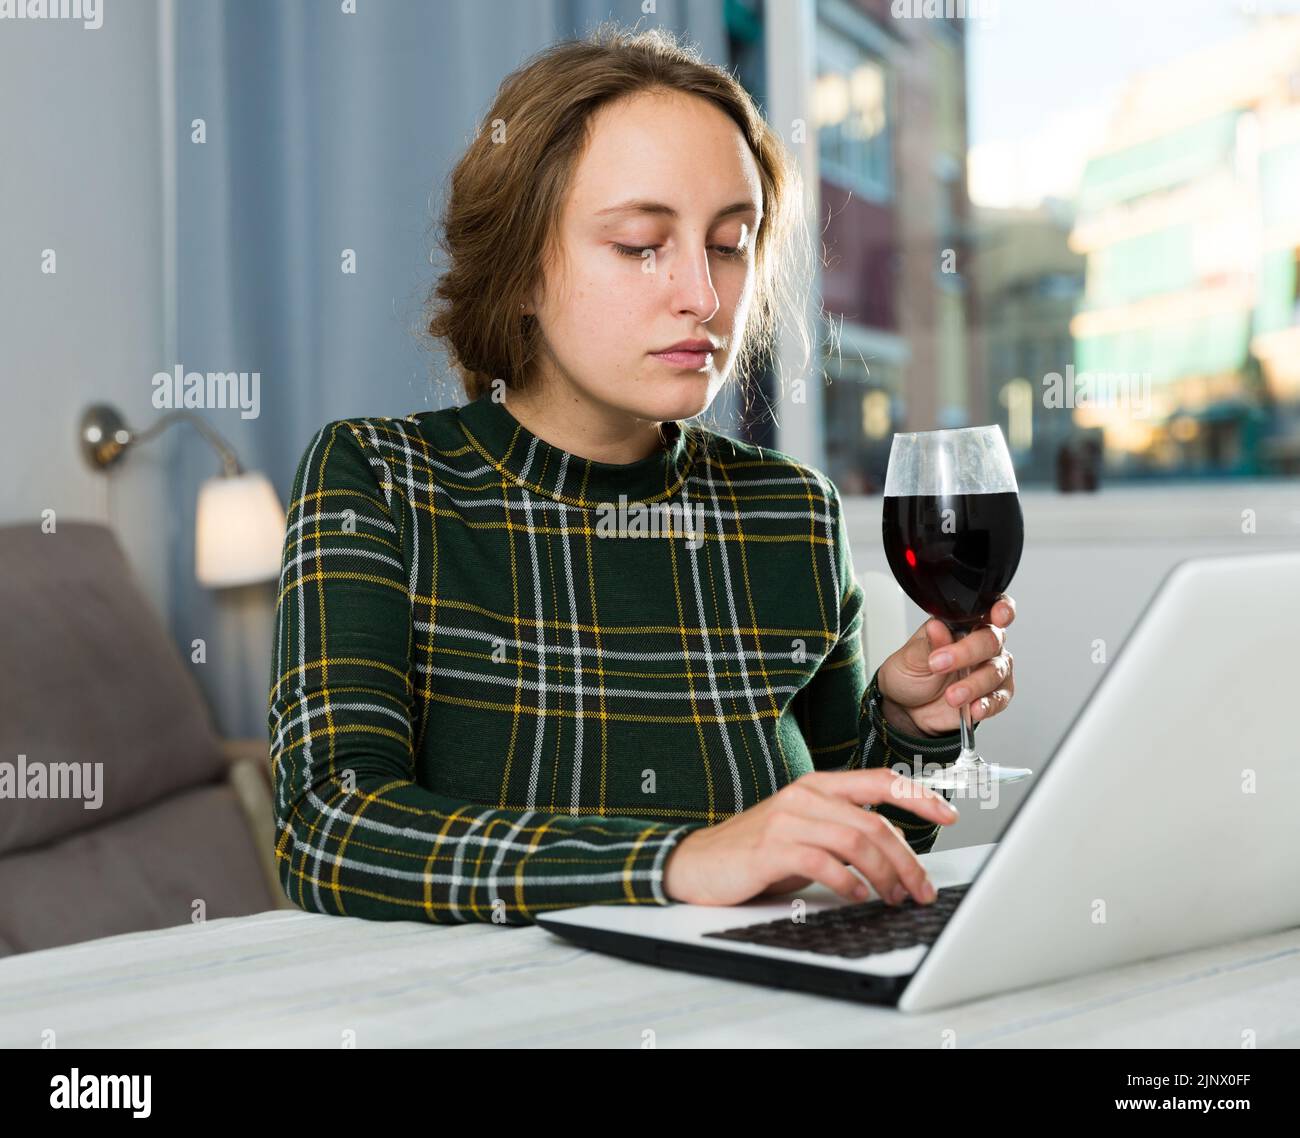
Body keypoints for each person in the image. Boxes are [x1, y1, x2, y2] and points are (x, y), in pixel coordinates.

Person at [268, 25, 1018, 926]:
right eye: (639, 244)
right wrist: (680, 860)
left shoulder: (790, 511)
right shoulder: (379, 481)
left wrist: (905, 732)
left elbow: (841, 839)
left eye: (730, 243)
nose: (703, 297)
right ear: (519, 273)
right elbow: (328, 831)